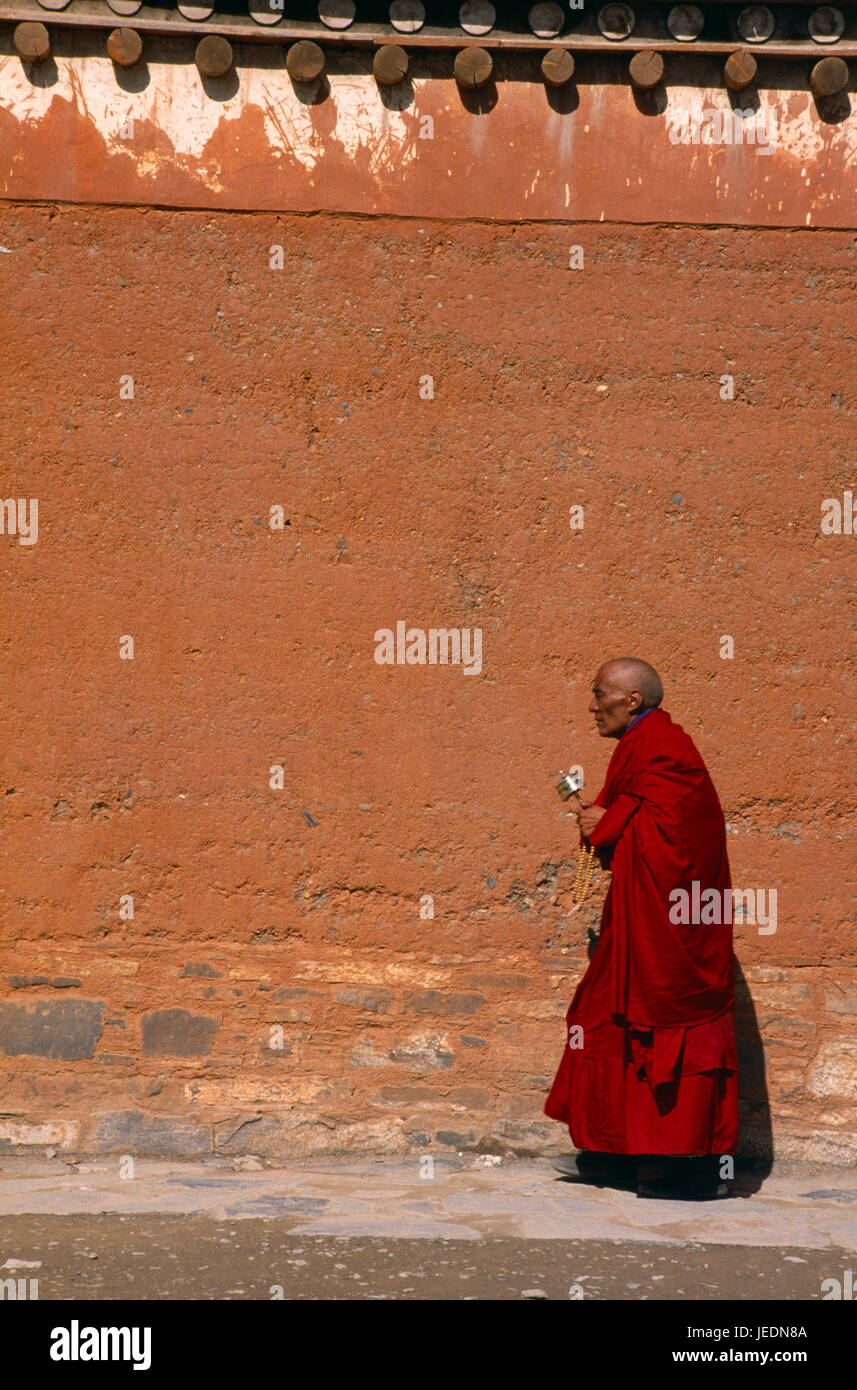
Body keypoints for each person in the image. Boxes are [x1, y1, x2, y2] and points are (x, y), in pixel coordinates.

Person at [544, 658, 738, 1199]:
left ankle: (682, 1164)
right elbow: (638, 813)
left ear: (631, 699)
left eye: (599, 692)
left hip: (672, 932)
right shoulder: (640, 746)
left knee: (669, 1020)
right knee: (601, 1012)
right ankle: (613, 1150)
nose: (591, 704)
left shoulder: (667, 749)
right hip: (634, 923)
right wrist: (607, 823)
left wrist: (608, 826)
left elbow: (681, 843)